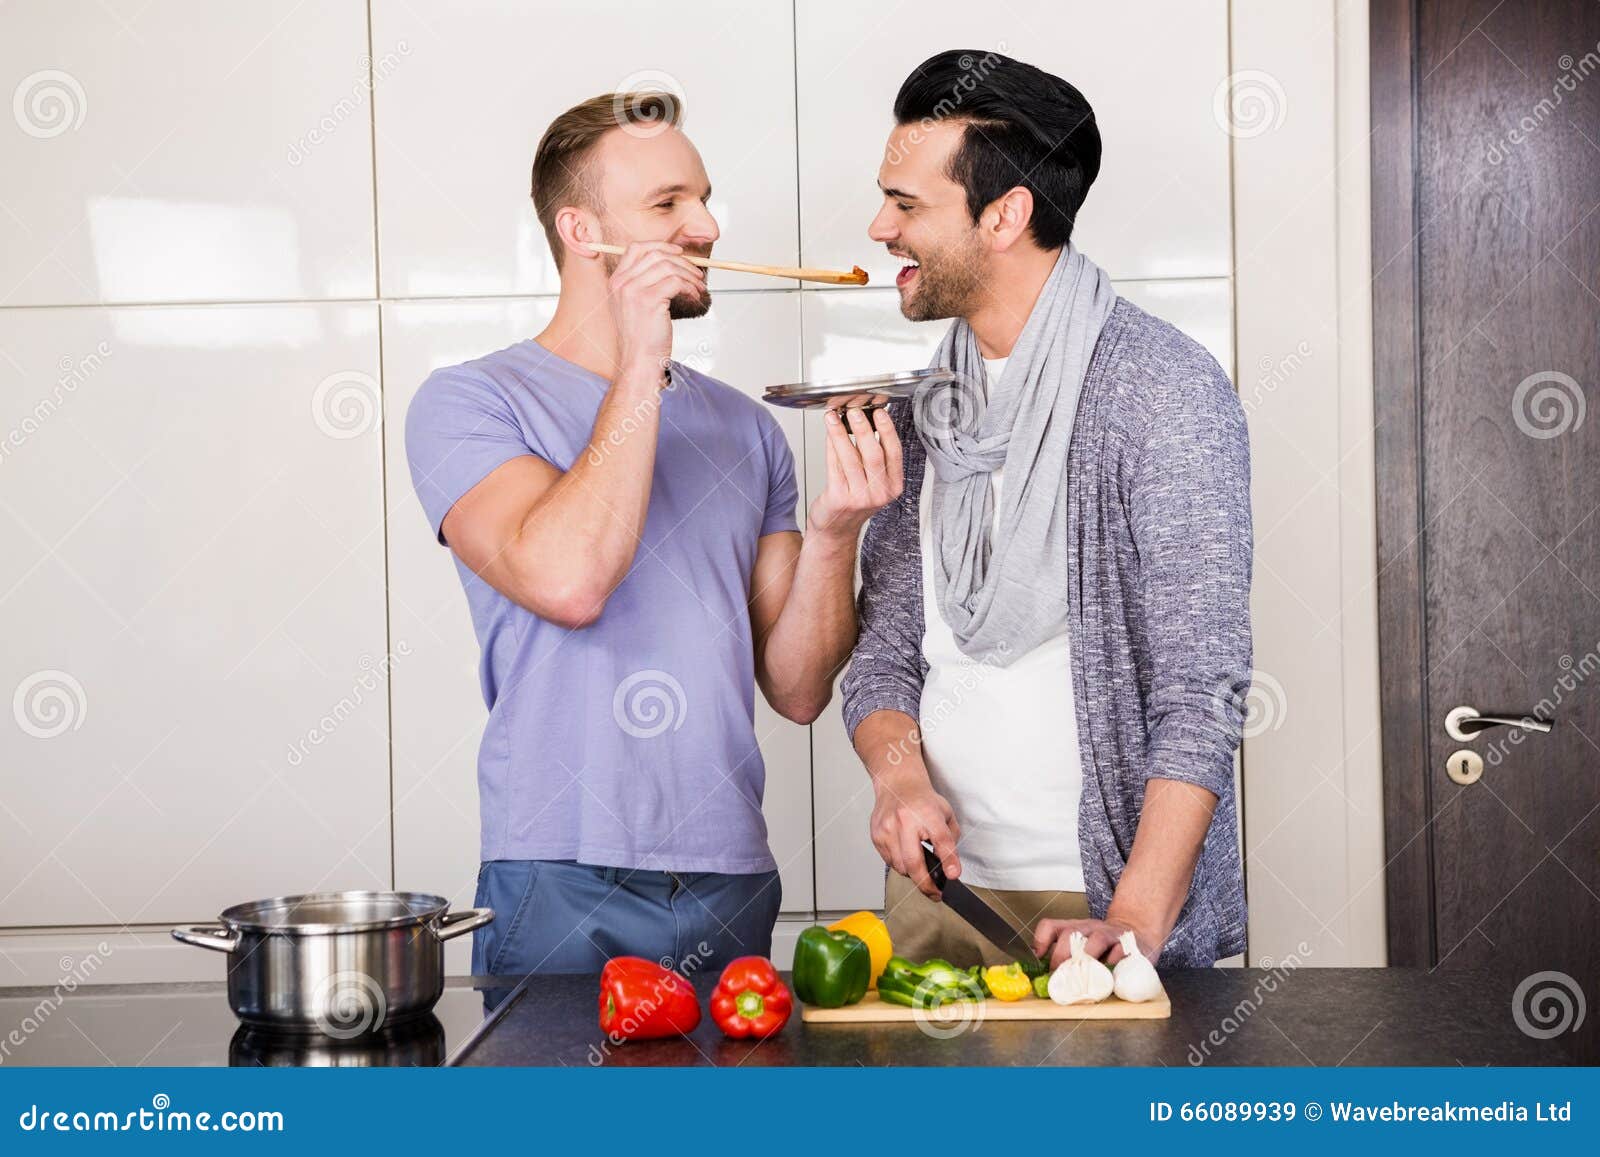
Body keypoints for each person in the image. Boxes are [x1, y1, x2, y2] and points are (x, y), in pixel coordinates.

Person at [405, 91, 902, 978]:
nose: (705, 225)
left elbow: (795, 689)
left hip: (732, 873)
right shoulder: (469, 401)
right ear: (582, 232)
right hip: (557, 866)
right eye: (668, 204)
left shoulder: (746, 429)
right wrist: (641, 361)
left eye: (704, 198)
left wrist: (834, 535)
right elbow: (568, 581)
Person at [841, 51, 1253, 971]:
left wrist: (1132, 923)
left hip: (1105, 903)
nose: (879, 227)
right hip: (940, 898)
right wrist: (898, 778)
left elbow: (1203, 688)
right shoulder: (925, 407)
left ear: (1006, 215)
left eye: (907, 206)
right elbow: (886, 652)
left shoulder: (1159, 391)